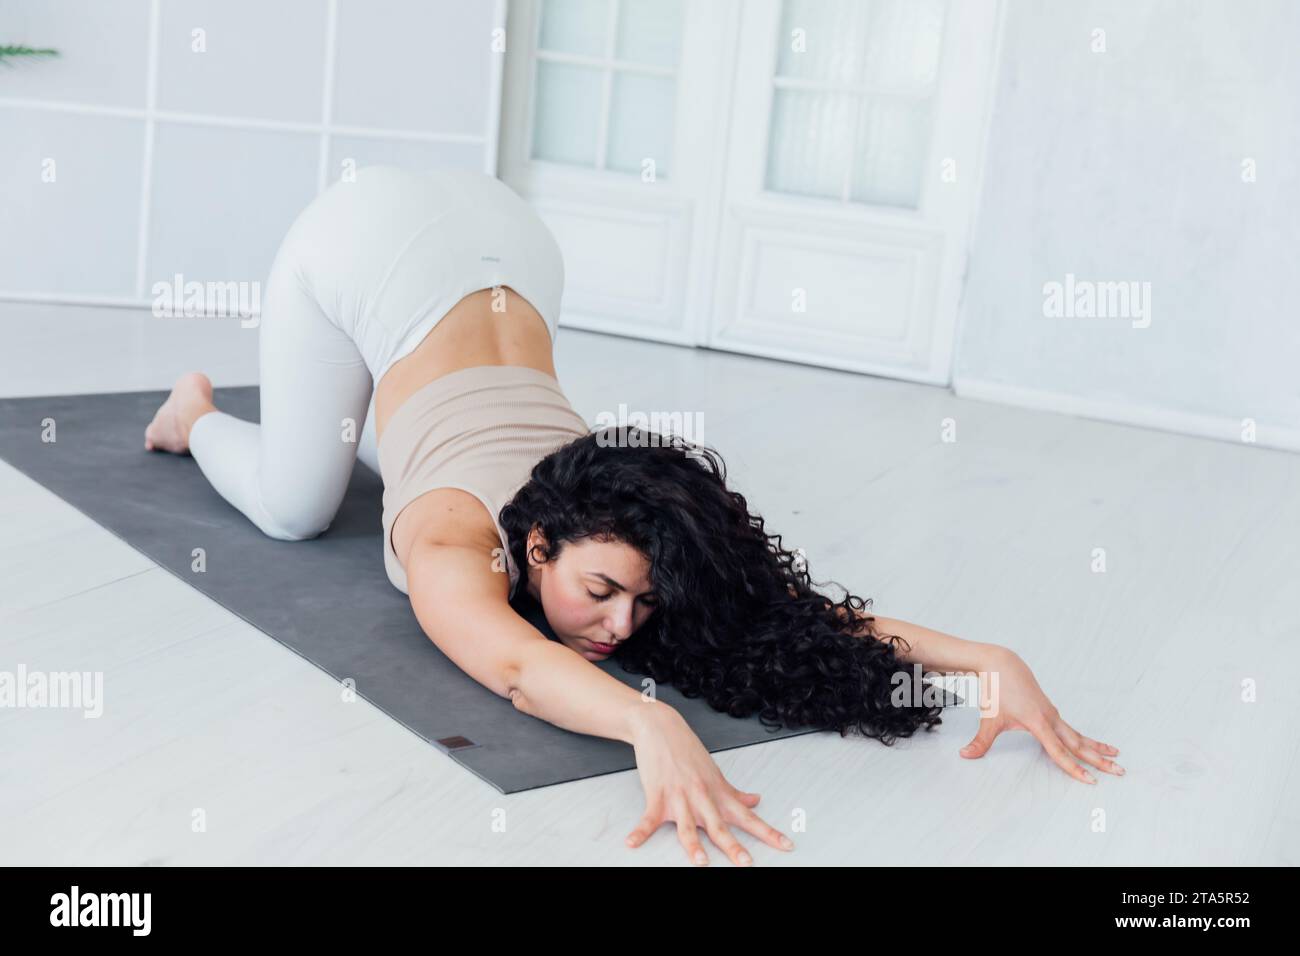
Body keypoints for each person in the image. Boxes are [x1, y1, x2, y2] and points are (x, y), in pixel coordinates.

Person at [144, 165, 1123, 867]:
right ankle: (195, 412)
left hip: (509, 243)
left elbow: (786, 609)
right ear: (534, 543)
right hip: (367, 238)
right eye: (600, 591)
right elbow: (523, 668)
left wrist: (988, 658)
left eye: (637, 603)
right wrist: (646, 720)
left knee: (365, 437)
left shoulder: (624, 509)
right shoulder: (453, 538)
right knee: (295, 506)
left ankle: (364, 415)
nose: (618, 626)